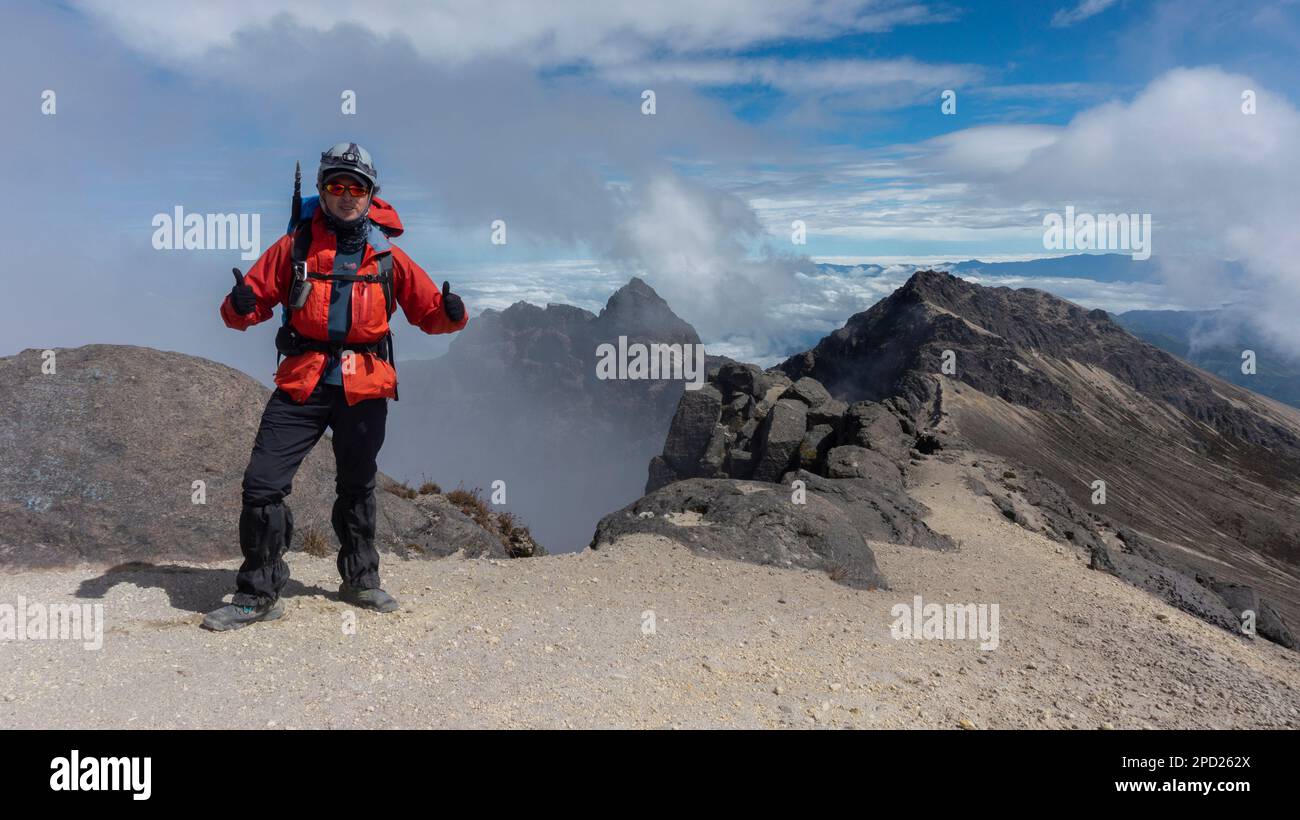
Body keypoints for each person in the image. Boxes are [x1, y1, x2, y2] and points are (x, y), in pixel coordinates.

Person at [202, 142, 467, 631]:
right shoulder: (294, 249)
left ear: (371, 195)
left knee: (357, 484)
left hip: (363, 385)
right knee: (262, 485)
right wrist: (239, 304)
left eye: (356, 187)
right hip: (303, 380)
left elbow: (430, 315)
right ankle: (258, 593)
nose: (346, 195)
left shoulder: (388, 257)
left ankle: (361, 580)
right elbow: (243, 312)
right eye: (335, 185)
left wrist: (453, 314)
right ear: (322, 192)